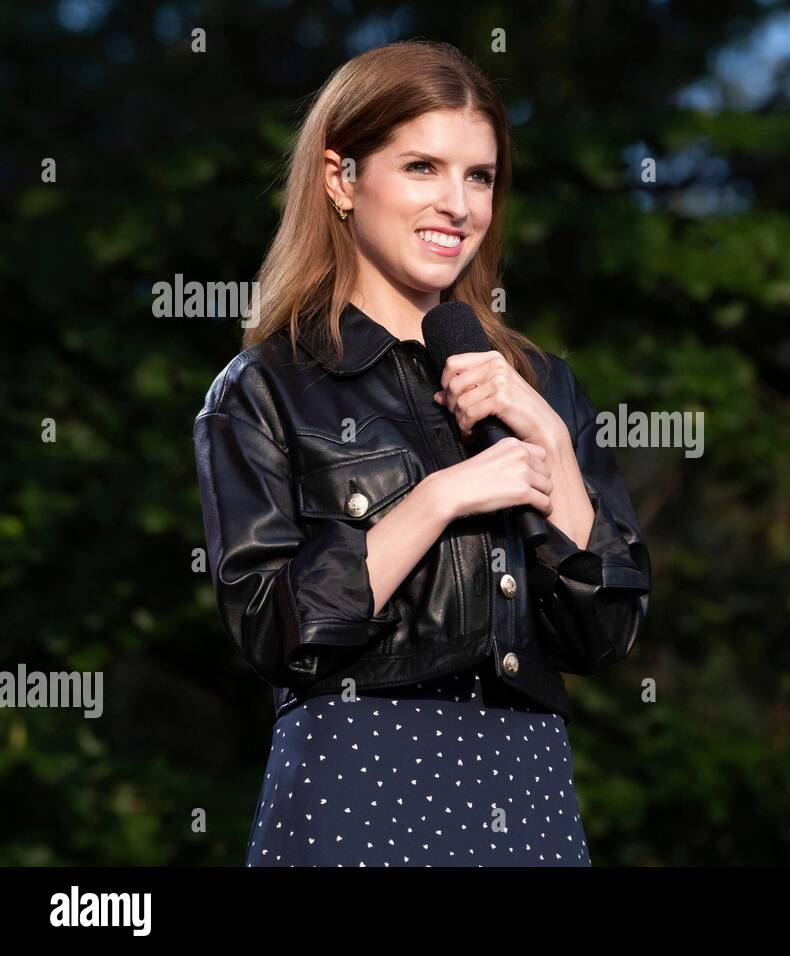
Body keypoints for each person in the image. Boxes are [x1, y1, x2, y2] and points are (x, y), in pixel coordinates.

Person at [191, 40, 651, 867]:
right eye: (422, 168)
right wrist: (442, 496)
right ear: (341, 178)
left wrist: (546, 437)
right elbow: (272, 630)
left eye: (479, 176)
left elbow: (604, 633)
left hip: (527, 784)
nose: (458, 205)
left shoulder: (540, 383)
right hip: (357, 775)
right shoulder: (266, 387)